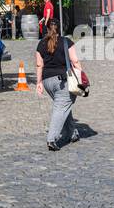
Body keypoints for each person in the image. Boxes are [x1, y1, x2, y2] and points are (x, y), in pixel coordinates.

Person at [35, 19, 84, 150]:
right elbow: (75, 61)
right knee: (61, 108)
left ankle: (72, 133)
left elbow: (39, 64)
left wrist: (39, 82)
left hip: (47, 81)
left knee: (63, 105)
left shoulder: (41, 43)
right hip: (62, 81)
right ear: (60, 28)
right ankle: (51, 139)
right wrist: (82, 76)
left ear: (47, 29)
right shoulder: (66, 42)